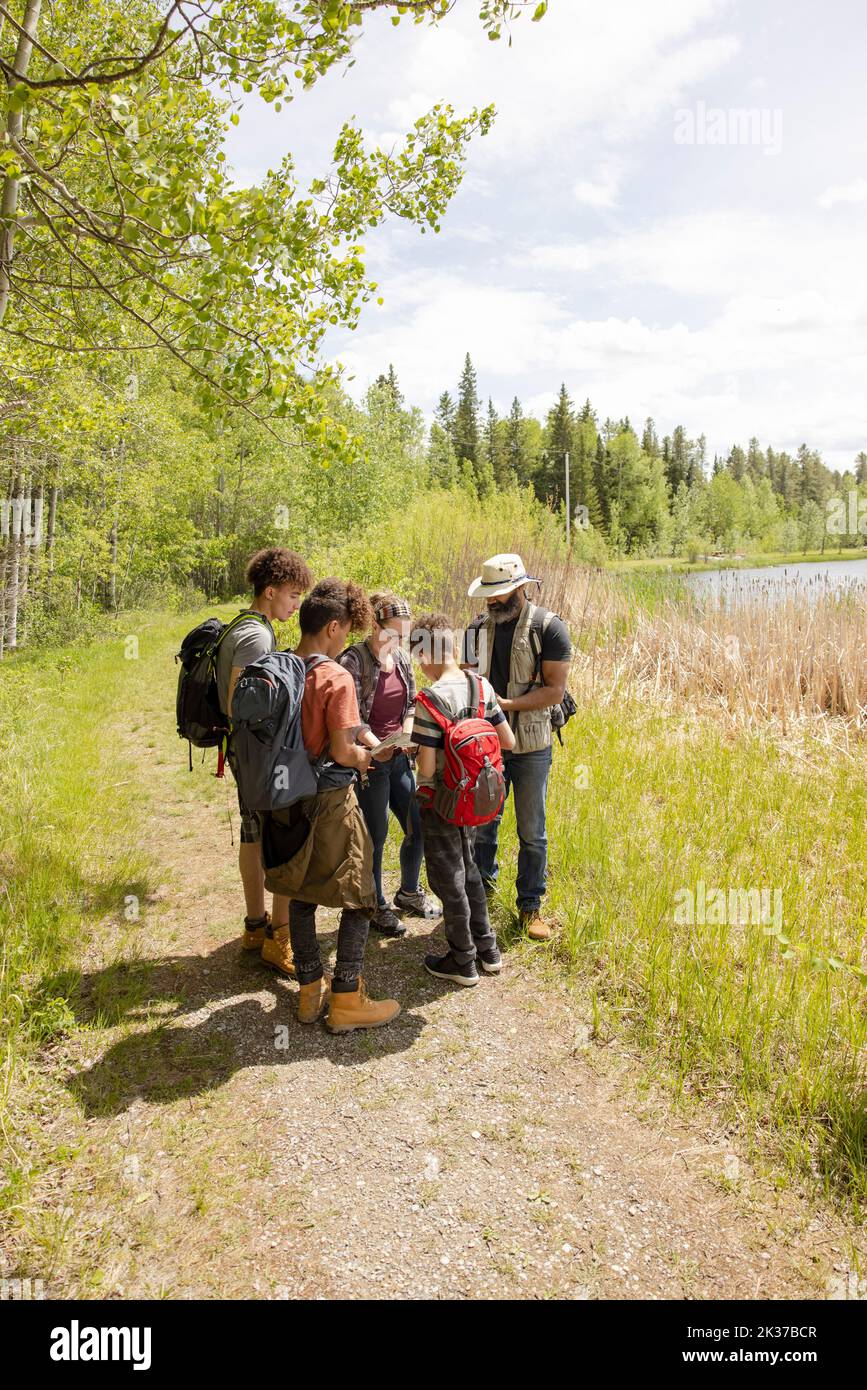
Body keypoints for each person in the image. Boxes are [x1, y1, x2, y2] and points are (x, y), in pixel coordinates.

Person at [263, 578, 401, 1032]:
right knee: (360, 894)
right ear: (334, 626)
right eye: (344, 631)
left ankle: (308, 991)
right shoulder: (335, 676)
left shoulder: (278, 666)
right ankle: (345, 998)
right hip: (330, 800)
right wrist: (371, 756)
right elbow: (343, 752)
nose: (345, 640)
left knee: (302, 892)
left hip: (286, 799)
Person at [463, 553, 572, 941]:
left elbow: (554, 691)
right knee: (482, 824)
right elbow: (465, 678)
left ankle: (530, 908)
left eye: (500, 596)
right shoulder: (475, 630)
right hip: (485, 745)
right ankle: (481, 900)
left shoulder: (550, 628)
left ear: (521, 589)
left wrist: (504, 707)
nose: (492, 603)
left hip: (531, 746)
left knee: (532, 831)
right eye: (488, 597)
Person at [216, 546, 312, 972]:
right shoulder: (257, 635)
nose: (296, 603)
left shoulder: (244, 624)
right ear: (270, 591)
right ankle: (278, 936)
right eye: (292, 595)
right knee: (278, 835)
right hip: (258, 752)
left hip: (245, 749)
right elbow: (244, 701)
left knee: (252, 833)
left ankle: (256, 927)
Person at [410, 612, 515, 987]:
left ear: (427, 654)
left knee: (448, 876)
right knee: (470, 867)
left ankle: (462, 959)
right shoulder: (482, 687)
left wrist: (417, 757)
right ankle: (488, 951)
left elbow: (425, 768)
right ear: (453, 647)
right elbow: (509, 742)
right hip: (476, 796)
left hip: (441, 799)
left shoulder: (430, 699)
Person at [339, 592, 438, 938]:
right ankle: (376, 905)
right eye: (393, 633)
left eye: (404, 635)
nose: (398, 641)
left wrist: (408, 732)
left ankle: (408, 891)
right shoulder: (353, 660)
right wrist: (373, 746)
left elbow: (412, 700)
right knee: (376, 836)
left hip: (398, 758)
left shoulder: (401, 659)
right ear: (374, 625)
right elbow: (348, 716)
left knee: (418, 821)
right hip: (370, 763)